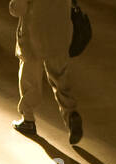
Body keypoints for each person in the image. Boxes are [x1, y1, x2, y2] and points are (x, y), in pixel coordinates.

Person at [10, 0, 81, 144]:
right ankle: (71, 114)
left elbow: (18, 8)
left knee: (30, 78)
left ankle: (28, 119)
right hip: (60, 31)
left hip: (33, 33)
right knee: (60, 76)